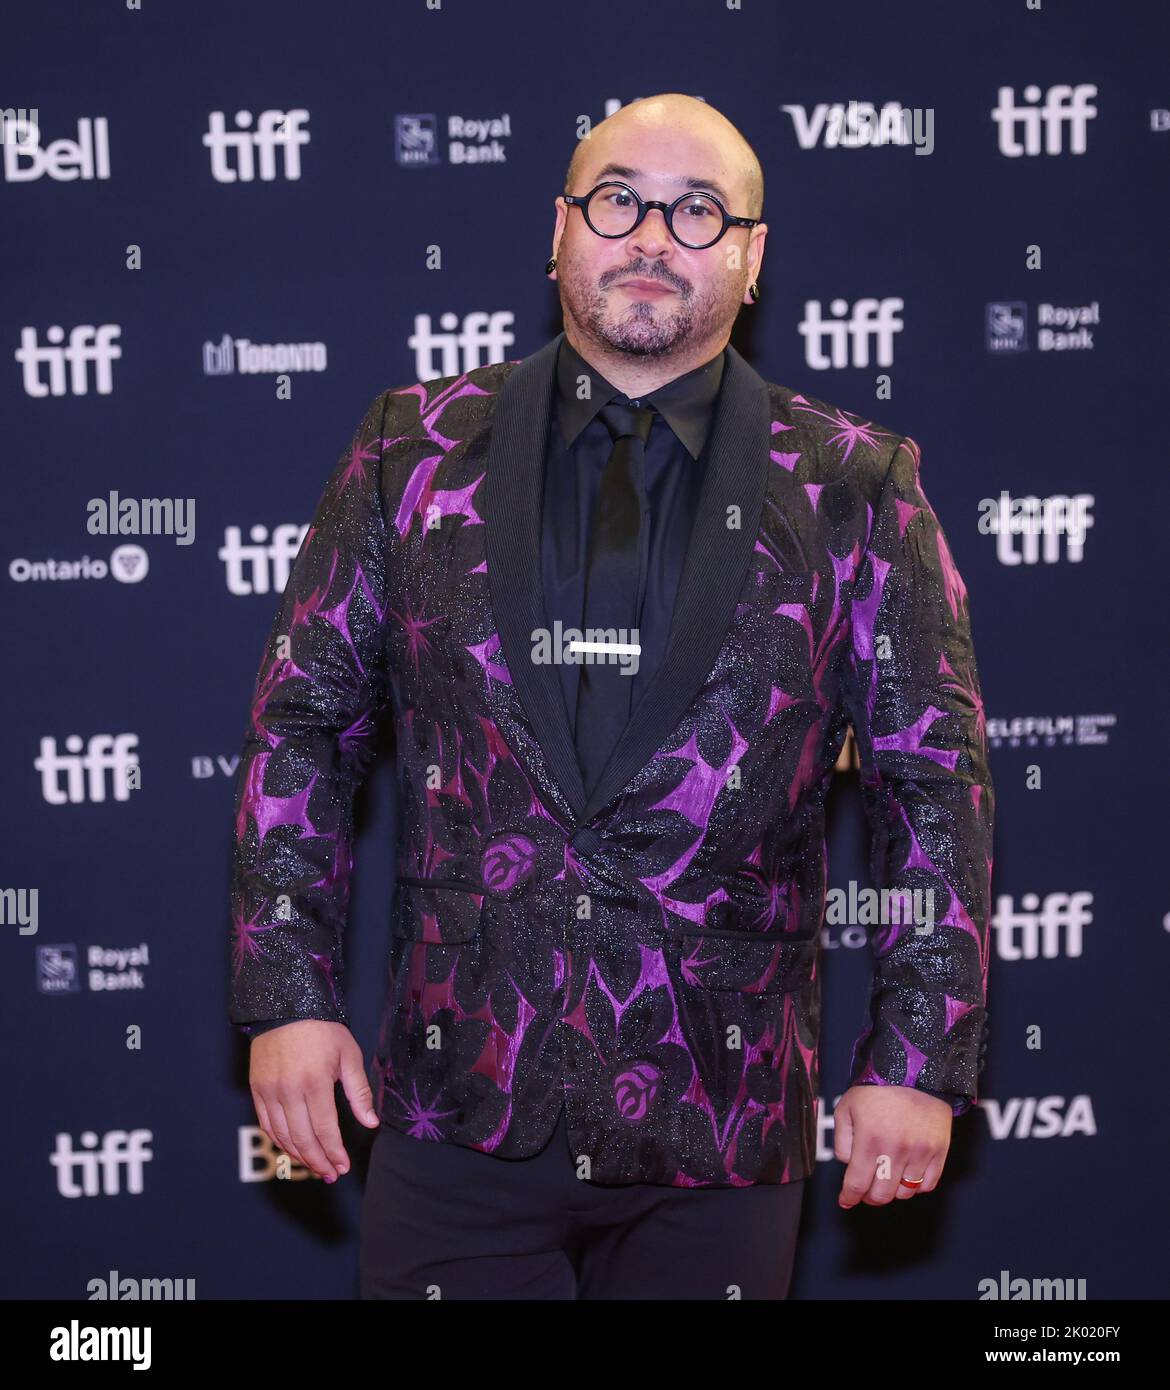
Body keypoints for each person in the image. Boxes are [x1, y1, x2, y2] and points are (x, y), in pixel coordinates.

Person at [228, 93, 994, 1300]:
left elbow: (930, 781)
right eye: (617, 198)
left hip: (723, 1111)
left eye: (698, 211)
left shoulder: (856, 484)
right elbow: (305, 729)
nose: (651, 234)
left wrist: (915, 1053)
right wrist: (284, 988)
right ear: (559, 231)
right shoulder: (410, 450)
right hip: (457, 1092)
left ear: (752, 256)